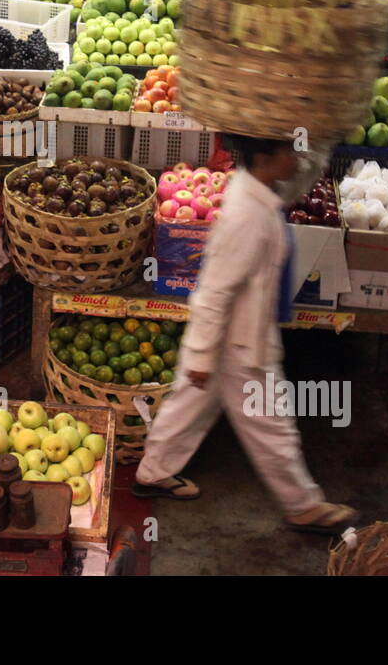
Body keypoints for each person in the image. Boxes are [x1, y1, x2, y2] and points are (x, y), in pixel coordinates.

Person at [132, 136, 359, 534]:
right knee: (272, 427)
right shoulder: (246, 216)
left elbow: (303, 176)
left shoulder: (259, 190)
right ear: (264, 157)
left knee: (188, 406)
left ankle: (151, 473)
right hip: (239, 343)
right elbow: (216, 290)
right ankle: (302, 505)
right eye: (289, 151)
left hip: (233, 336)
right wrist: (201, 357)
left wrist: (323, 139)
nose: (296, 158)